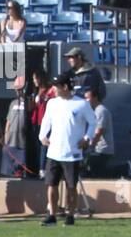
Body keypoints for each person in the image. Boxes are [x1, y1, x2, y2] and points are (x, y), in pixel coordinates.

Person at [39, 76, 96, 226]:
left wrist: (87, 138)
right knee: (52, 184)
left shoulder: (81, 104)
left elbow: (93, 122)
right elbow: (46, 121)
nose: (53, 89)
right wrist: (42, 136)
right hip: (54, 151)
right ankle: (52, 215)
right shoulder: (52, 103)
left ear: (65, 87)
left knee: (71, 186)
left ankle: (70, 215)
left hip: (72, 153)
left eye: (56, 86)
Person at [82, 84, 116, 178]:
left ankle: (125, 170)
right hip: (98, 149)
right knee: (99, 173)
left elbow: (99, 131)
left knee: (91, 170)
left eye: (87, 98)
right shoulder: (95, 111)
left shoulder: (101, 111)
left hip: (102, 150)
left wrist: (90, 147)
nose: (86, 101)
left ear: (95, 97)